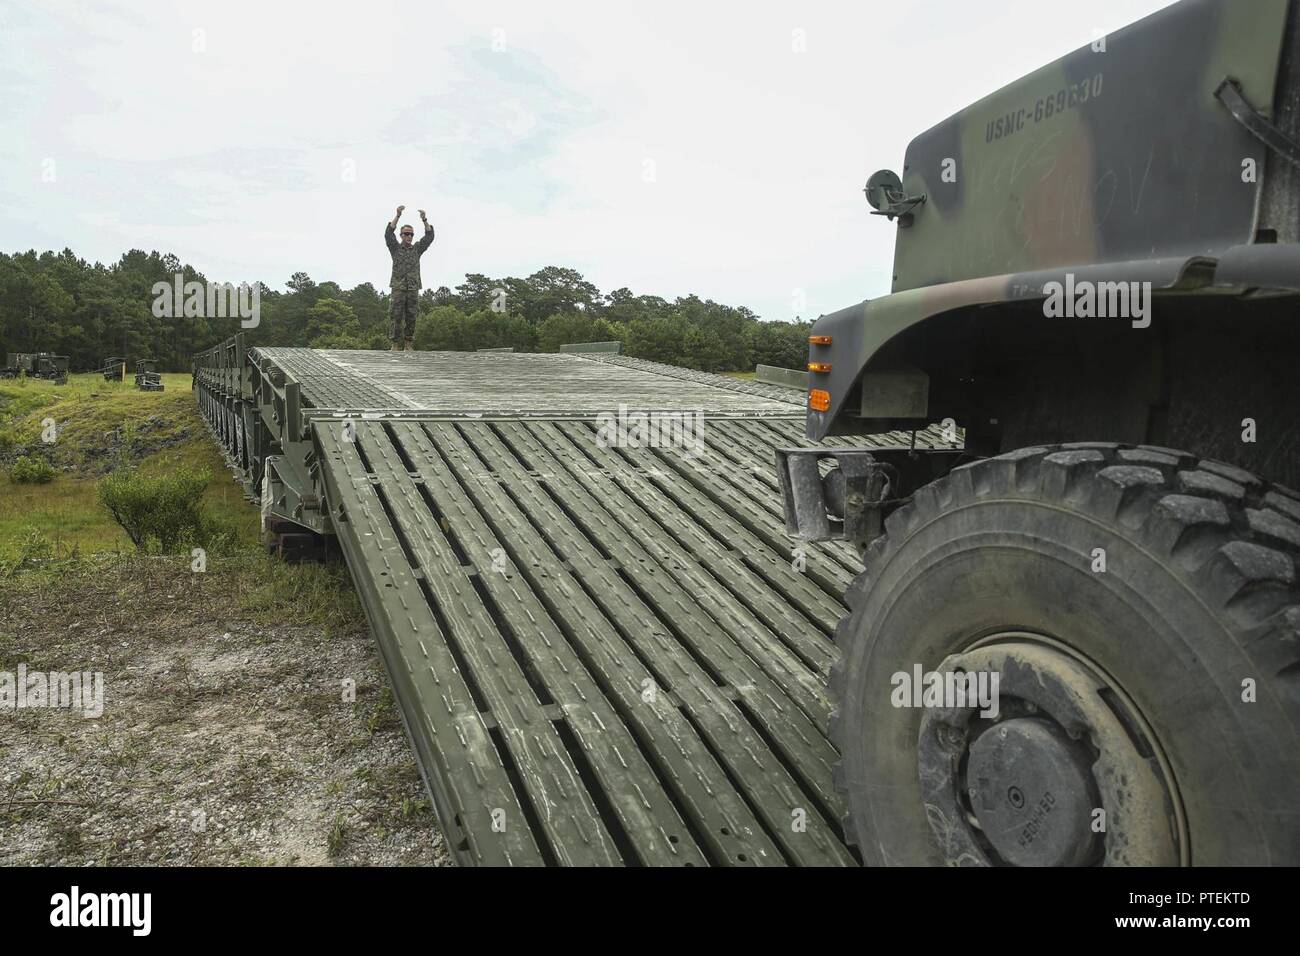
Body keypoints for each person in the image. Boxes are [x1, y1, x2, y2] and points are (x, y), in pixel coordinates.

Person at [384, 204, 435, 351]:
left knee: (412, 316)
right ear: (401, 235)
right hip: (398, 287)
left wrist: (424, 219)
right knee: (396, 316)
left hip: (413, 287)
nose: (409, 236)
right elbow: (388, 233)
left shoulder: (417, 249)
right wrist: (398, 215)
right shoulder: (395, 248)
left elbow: (429, 237)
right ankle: (394, 344)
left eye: (411, 234)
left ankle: (408, 344)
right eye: (406, 234)